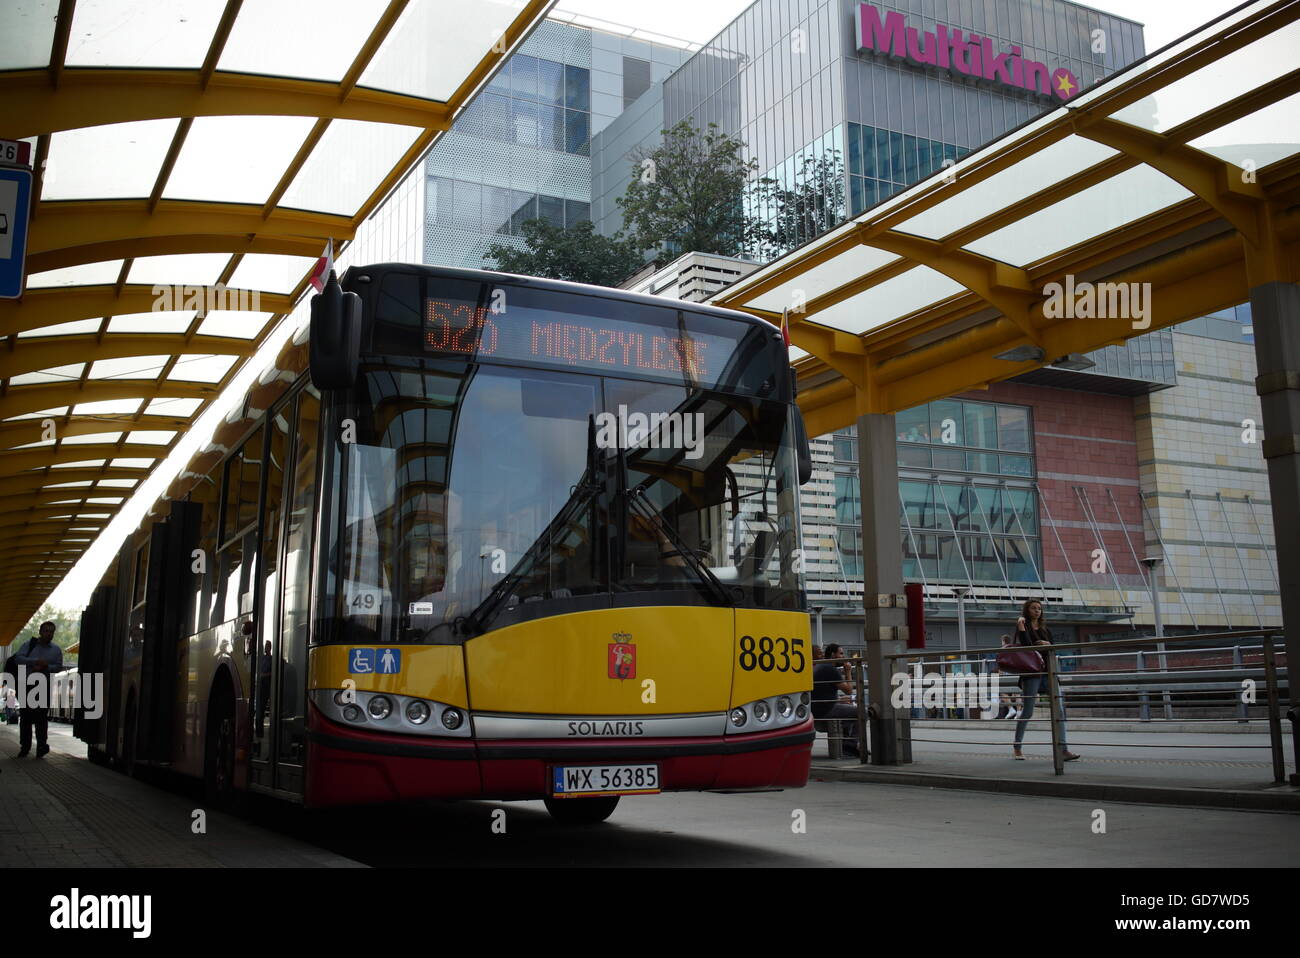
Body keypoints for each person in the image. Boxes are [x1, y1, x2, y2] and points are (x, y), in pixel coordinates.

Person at [1009, 601, 1078, 761]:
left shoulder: (1046, 629)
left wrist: (1048, 644)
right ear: (1027, 610)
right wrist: (1020, 628)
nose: (1037, 611)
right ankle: (1017, 746)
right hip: (1032, 673)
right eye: (1033, 608)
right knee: (1028, 711)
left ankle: (1063, 749)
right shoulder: (1023, 626)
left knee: (1059, 711)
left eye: (1039, 608)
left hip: (1048, 672)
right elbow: (1025, 647)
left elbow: (1053, 647)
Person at [13, 621, 64, 758]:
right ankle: (25, 746)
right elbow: (18, 659)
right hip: (27, 685)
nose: (49, 634)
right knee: (26, 718)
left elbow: (58, 667)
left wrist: (46, 667)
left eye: (51, 631)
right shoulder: (29, 645)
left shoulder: (56, 650)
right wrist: (35, 661)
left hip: (43, 686)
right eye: (46, 631)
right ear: (40, 632)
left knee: (41, 717)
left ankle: (41, 745)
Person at [811, 646, 862, 758]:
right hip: (825, 710)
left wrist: (839, 700)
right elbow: (849, 690)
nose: (843, 657)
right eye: (841, 654)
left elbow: (822, 693)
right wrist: (848, 671)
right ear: (833, 655)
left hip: (817, 708)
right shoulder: (829, 668)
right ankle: (849, 747)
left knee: (847, 711)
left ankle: (847, 746)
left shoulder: (821, 667)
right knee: (861, 712)